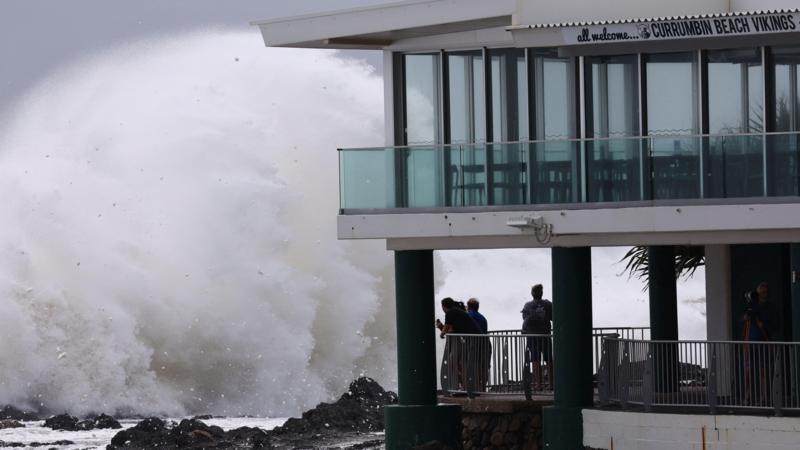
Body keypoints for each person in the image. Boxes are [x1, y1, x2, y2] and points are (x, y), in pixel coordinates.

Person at [742, 282, 780, 405]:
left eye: (765, 292)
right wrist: (747, 316)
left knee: (763, 370)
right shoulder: (752, 306)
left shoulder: (771, 307)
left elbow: (775, 324)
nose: (763, 294)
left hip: (764, 341)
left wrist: (764, 325)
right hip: (750, 342)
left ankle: (764, 397)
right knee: (748, 370)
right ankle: (748, 396)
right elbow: (744, 318)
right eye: (761, 292)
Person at [436, 297, 482, 393]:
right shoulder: (456, 311)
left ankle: (464, 386)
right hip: (472, 338)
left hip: (470, 339)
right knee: (460, 362)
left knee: (457, 362)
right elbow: (452, 330)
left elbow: (447, 328)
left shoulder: (450, 312)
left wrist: (442, 333)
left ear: (444, 306)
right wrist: (441, 327)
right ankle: (464, 385)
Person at [521, 284, 553, 391]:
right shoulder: (548, 304)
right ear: (542, 293)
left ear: (532, 293)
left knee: (535, 360)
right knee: (549, 360)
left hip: (532, 336)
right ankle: (552, 384)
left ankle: (538, 384)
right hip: (546, 335)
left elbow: (524, 319)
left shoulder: (527, 305)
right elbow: (554, 317)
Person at [467, 298, 491, 390]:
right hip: (485, 342)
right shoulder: (482, 317)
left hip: (475, 343)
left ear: (468, 306)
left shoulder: (469, 315)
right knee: (484, 365)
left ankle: (475, 387)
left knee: (475, 365)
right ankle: (483, 387)